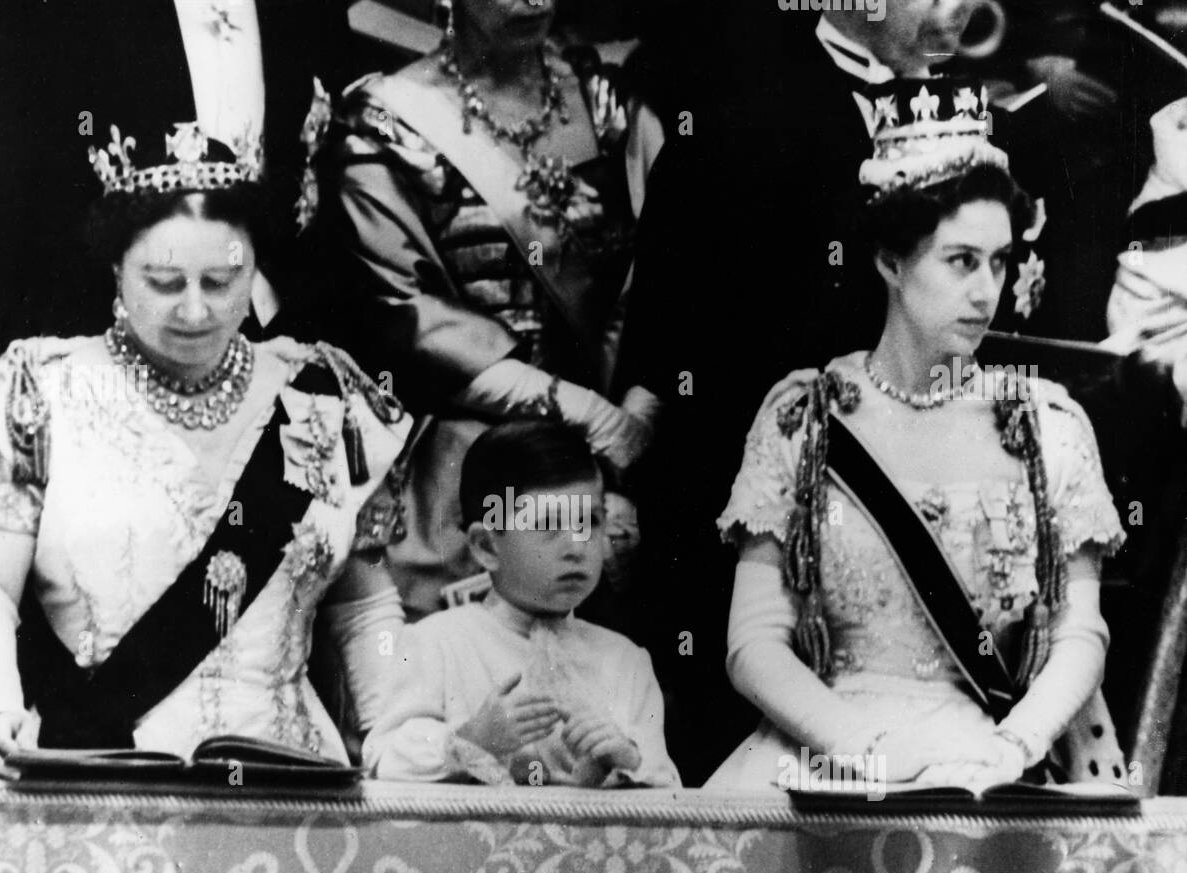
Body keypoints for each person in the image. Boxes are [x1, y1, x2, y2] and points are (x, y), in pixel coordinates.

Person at [0, 122, 411, 760]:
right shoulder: (39, 394)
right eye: (163, 282)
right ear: (116, 270)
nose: (194, 311)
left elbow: (365, 610)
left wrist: (400, 725)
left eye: (221, 282)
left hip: (292, 783)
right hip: (98, 769)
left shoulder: (325, 398)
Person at [705, 80, 1126, 793]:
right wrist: (865, 749)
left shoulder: (1045, 427)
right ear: (891, 263)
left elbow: (1078, 635)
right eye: (961, 260)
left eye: (1000, 261)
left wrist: (1015, 744)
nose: (986, 291)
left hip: (987, 759)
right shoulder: (804, 419)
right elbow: (753, 645)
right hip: (823, 758)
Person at [620, 1, 980, 784]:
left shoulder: (974, 115)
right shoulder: (740, 108)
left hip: (931, 472)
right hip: (763, 478)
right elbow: (667, 314)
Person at [334, 0, 662, 621]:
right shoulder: (386, 122)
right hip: (474, 463)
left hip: (628, 454)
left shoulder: (608, 101)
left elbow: (671, 271)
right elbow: (403, 312)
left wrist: (633, 423)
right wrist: (579, 411)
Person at [364, 421, 679, 788]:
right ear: (485, 546)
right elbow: (383, 758)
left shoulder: (625, 661)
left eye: (589, 522)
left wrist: (628, 759)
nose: (576, 547)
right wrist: (470, 739)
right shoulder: (437, 643)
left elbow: (667, 786)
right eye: (549, 525)